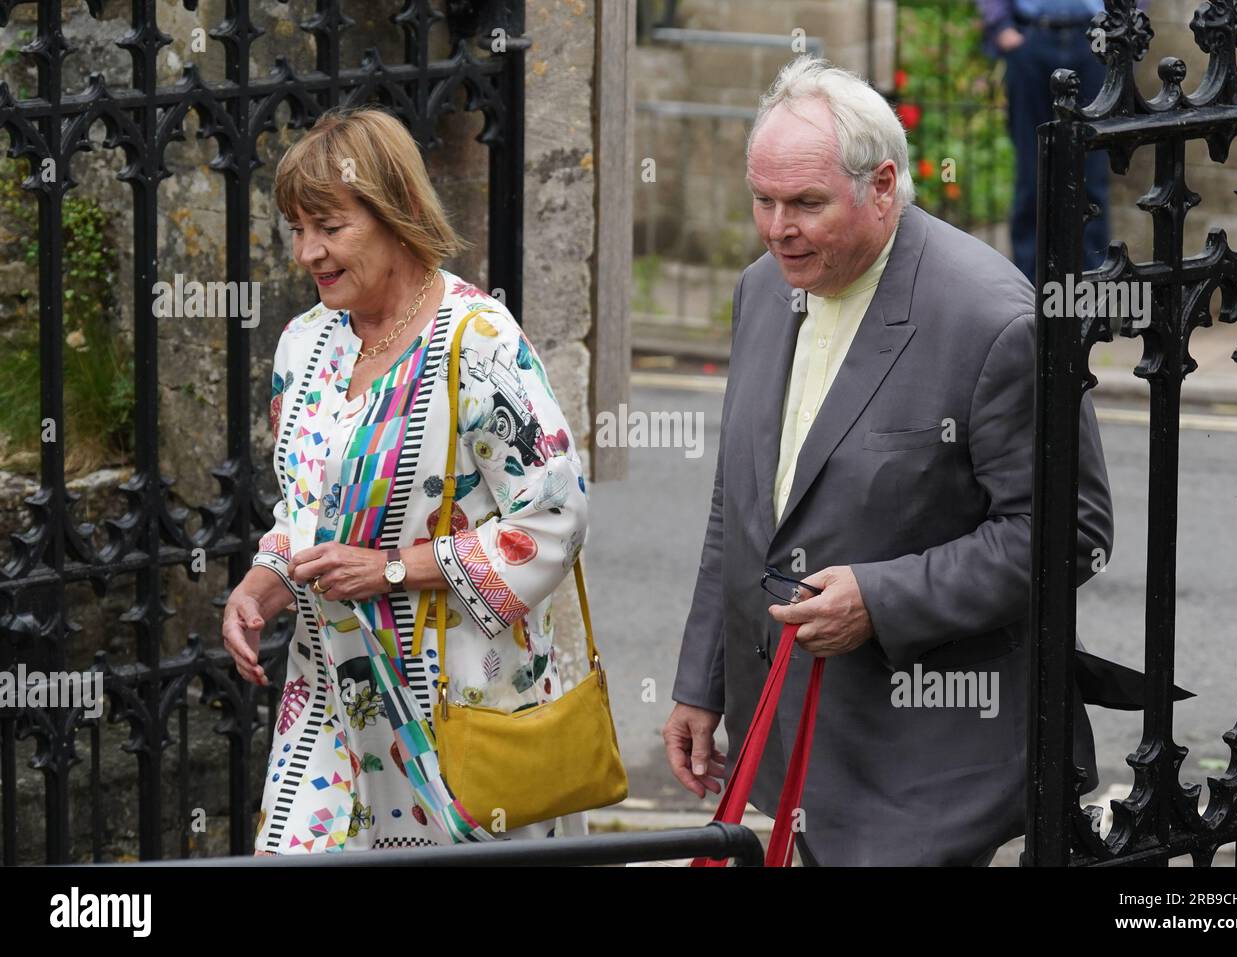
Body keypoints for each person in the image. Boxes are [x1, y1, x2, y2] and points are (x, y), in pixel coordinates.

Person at [663, 56, 1116, 866]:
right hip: (788, 735)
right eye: (761, 201)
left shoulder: (994, 320)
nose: (776, 229)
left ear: (882, 185)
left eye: (805, 204)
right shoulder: (763, 289)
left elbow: (1065, 532)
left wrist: (881, 596)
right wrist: (701, 680)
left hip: (922, 762)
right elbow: (740, 502)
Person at [221, 107, 589, 854]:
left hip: (464, 719)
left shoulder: (478, 338)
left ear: (396, 212)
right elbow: (304, 506)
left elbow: (554, 517)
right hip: (330, 708)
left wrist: (392, 568)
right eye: (297, 228)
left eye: (329, 226)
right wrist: (265, 579)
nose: (308, 252)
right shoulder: (303, 344)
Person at [975, 0, 1139, 280]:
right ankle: (1028, 293)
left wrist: (1129, 26)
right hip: (1030, 38)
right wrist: (1000, 25)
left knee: (1093, 177)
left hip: (1098, 41)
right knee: (1031, 174)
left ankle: (1090, 294)